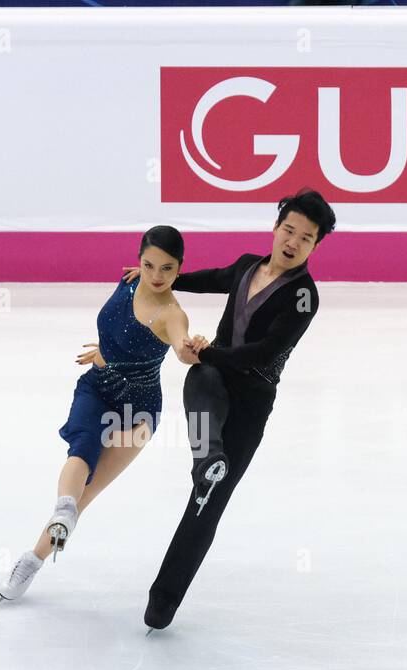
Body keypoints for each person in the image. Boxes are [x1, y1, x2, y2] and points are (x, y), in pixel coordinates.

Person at [126, 190, 337, 630]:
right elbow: (211, 278)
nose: (293, 242)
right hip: (215, 378)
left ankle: (164, 599)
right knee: (198, 381)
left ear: (316, 246)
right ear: (276, 227)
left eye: (306, 238)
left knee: (207, 502)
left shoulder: (303, 297)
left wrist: (206, 354)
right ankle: (208, 458)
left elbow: (264, 352)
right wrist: (163, 280)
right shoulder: (246, 265)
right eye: (289, 230)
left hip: (252, 397)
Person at [0, 226, 202, 602]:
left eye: (167, 269)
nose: (156, 276)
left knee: (86, 494)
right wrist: (107, 355)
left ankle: (32, 559)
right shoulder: (130, 279)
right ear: (139, 261)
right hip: (98, 386)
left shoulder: (173, 314)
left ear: (180, 269)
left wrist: (193, 348)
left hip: (138, 412)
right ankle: (56, 520)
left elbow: (182, 349)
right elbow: (118, 329)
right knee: (81, 450)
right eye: (149, 265)